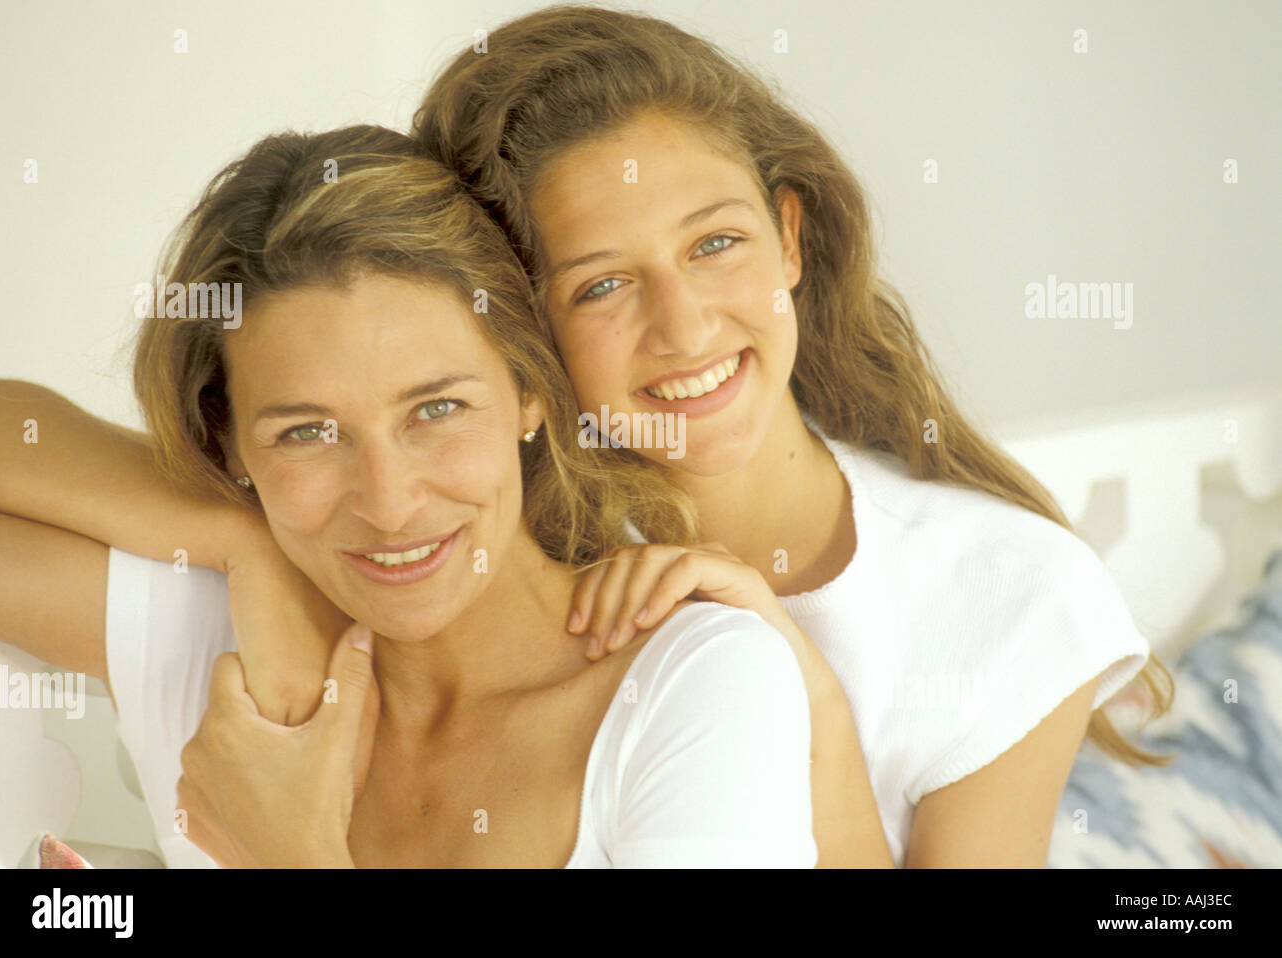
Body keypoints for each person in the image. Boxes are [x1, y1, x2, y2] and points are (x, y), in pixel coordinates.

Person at [404, 4, 1175, 867]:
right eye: (602, 285)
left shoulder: (1009, 593)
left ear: (790, 239)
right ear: (517, 326)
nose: (686, 328)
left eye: (717, 242)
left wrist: (808, 695)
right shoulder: (487, 556)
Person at [0, 126, 820, 867]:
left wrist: (287, 855)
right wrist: (247, 548)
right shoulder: (226, 646)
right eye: (306, 432)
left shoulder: (694, 684)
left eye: (437, 410)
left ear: (531, 391)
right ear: (226, 441)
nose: (387, 504)